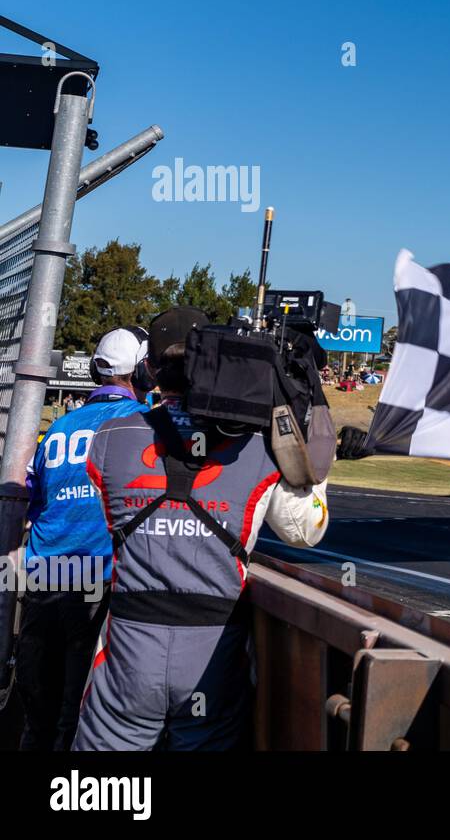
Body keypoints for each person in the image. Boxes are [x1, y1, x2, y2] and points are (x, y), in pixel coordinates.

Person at [74, 307, 331, 751]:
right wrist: (310, 427)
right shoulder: (258, 449)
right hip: (214, 656)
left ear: (149, 369)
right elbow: (306, 530)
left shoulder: (108, 440)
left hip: (128, 650)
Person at [15, 327, 153, 751]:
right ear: (139, 372)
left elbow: (35, 500)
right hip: (96, 577)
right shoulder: (139, 425)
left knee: (36, 712)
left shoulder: (58, 428)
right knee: (74, 714)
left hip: (43, 574)